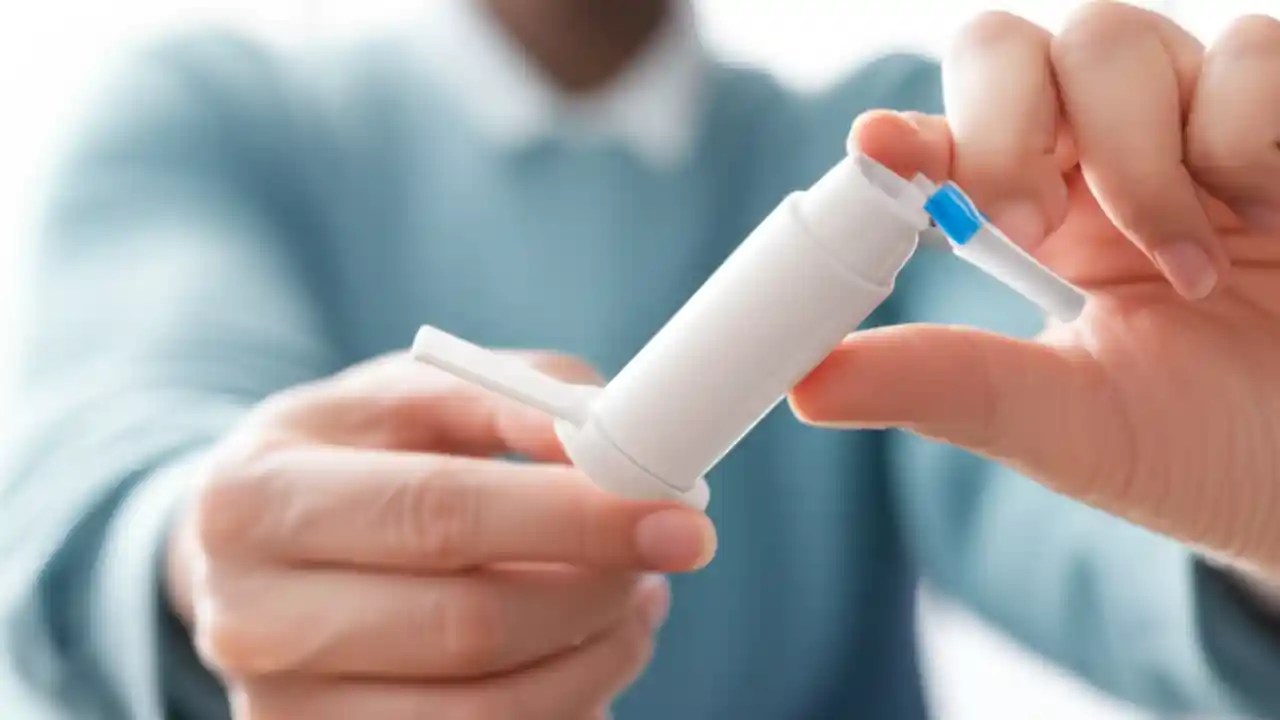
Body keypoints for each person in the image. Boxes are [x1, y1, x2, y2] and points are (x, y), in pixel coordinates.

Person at [3, 0, 1280, 717]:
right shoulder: (217, 117)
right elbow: (98, 462)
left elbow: (1089, 492)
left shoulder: (956, 149)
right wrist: (199, 558)